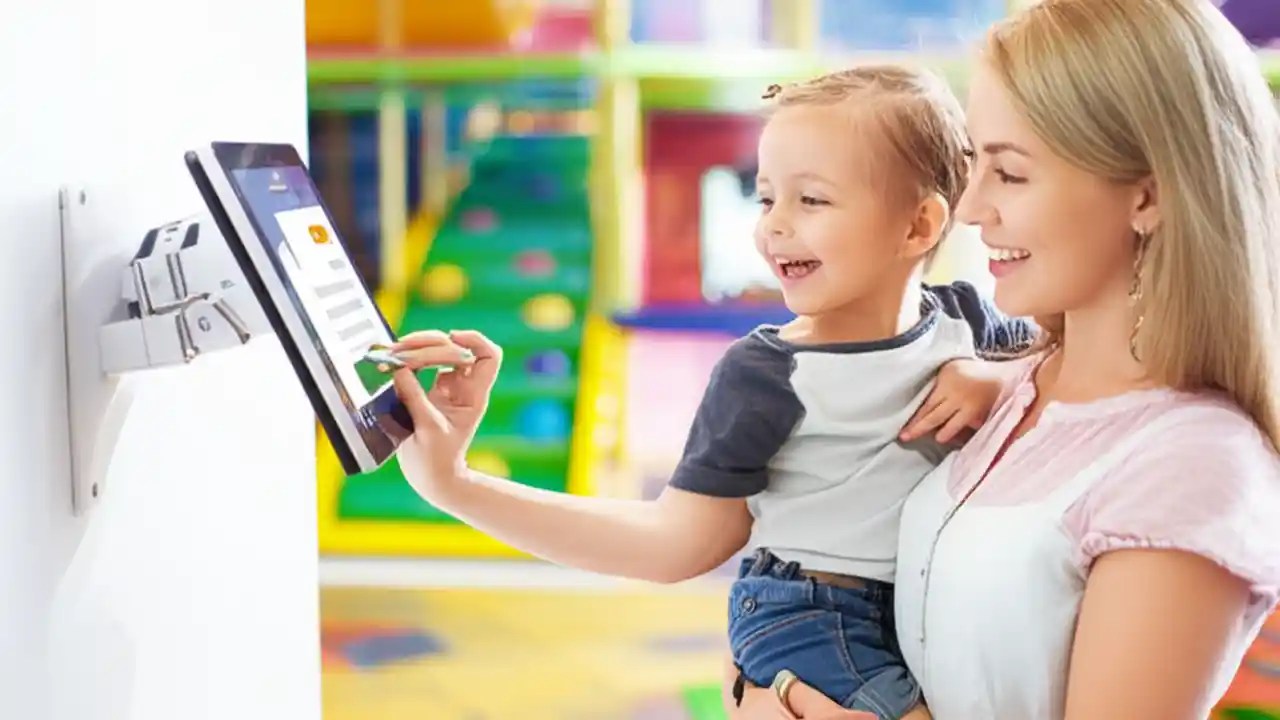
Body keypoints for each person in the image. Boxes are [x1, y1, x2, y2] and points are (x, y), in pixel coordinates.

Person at [386, 65, 1034, 719]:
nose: (773, 227)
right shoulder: (766, 373)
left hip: (917, 607)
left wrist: (998, 378)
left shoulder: (966, 321)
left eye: (811, 200)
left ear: (919, 227)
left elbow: (1084, 351)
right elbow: (674, 542)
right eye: (765, 198)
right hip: (811, 614)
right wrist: (456, 487)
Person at [725, 0, 1280, 718]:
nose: (969, 208)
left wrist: (796, 704)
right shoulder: (1006, 386)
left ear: (1148, 194)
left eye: (1011, 174)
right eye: (973, 165)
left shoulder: (1191, 465)